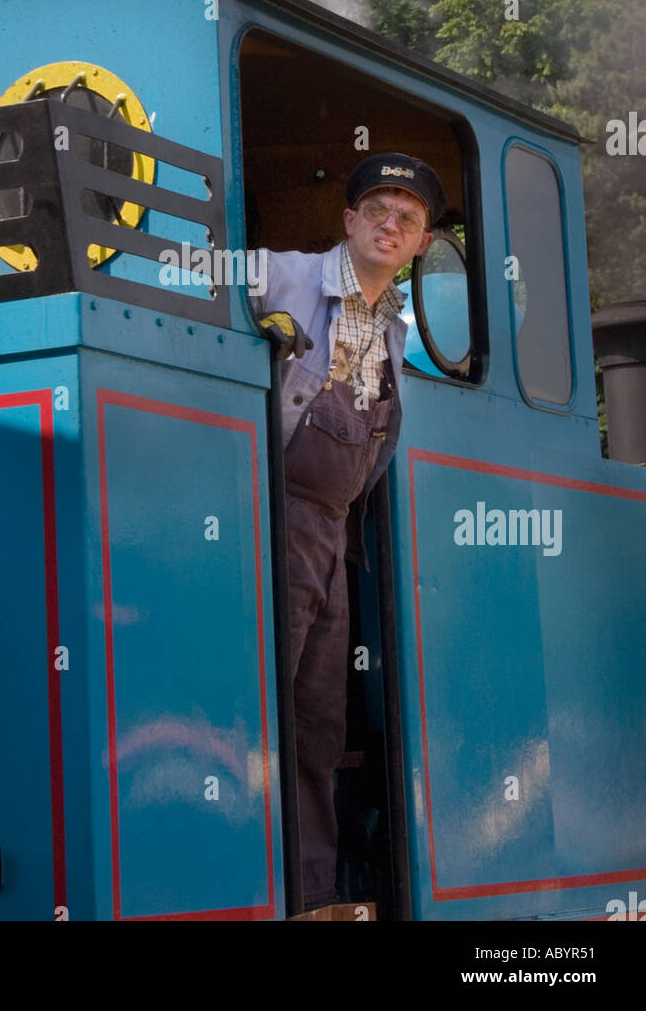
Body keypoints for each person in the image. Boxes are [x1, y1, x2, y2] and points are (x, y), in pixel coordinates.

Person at [249, 152, 447, 909]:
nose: (390, 226)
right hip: (280, 513)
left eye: (407, 219)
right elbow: (193, 267)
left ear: (422, 242)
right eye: (377, 212)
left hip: (333, 534)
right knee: (266, 703)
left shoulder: (394, 329)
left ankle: (315, 893)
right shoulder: (286, 275)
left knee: (319, 721)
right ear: (349, 222)